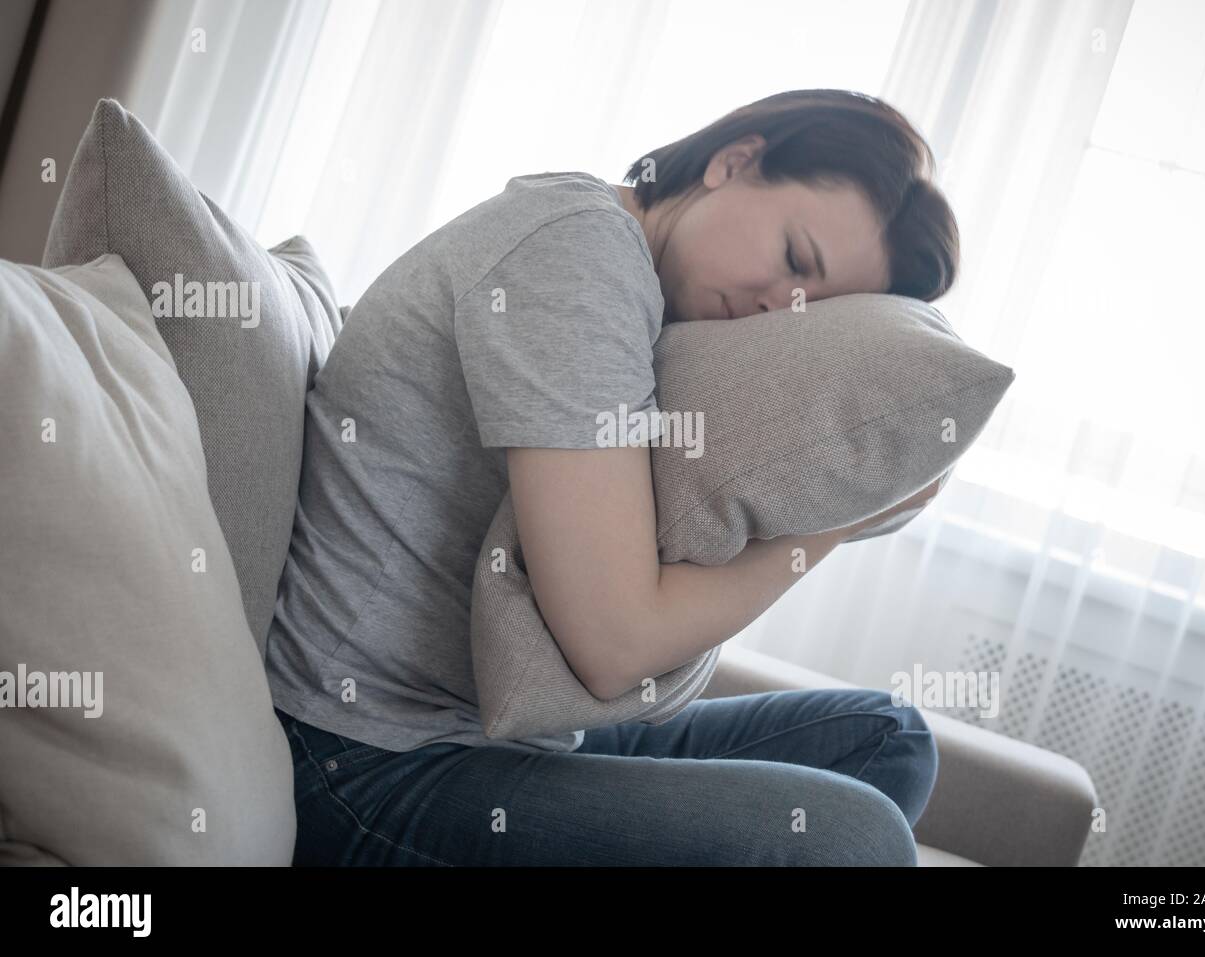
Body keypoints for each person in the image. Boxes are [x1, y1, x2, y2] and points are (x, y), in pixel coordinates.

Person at [266, 88, 960, 866]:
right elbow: (613, 643)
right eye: (795, 257)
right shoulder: (578, 257)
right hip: (359, 759)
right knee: (850, 838)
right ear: (736, 163)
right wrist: (834, 523)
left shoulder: (647, 296)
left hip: (503, 733)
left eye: (806, 307)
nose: (775, 305)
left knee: (888, 739)